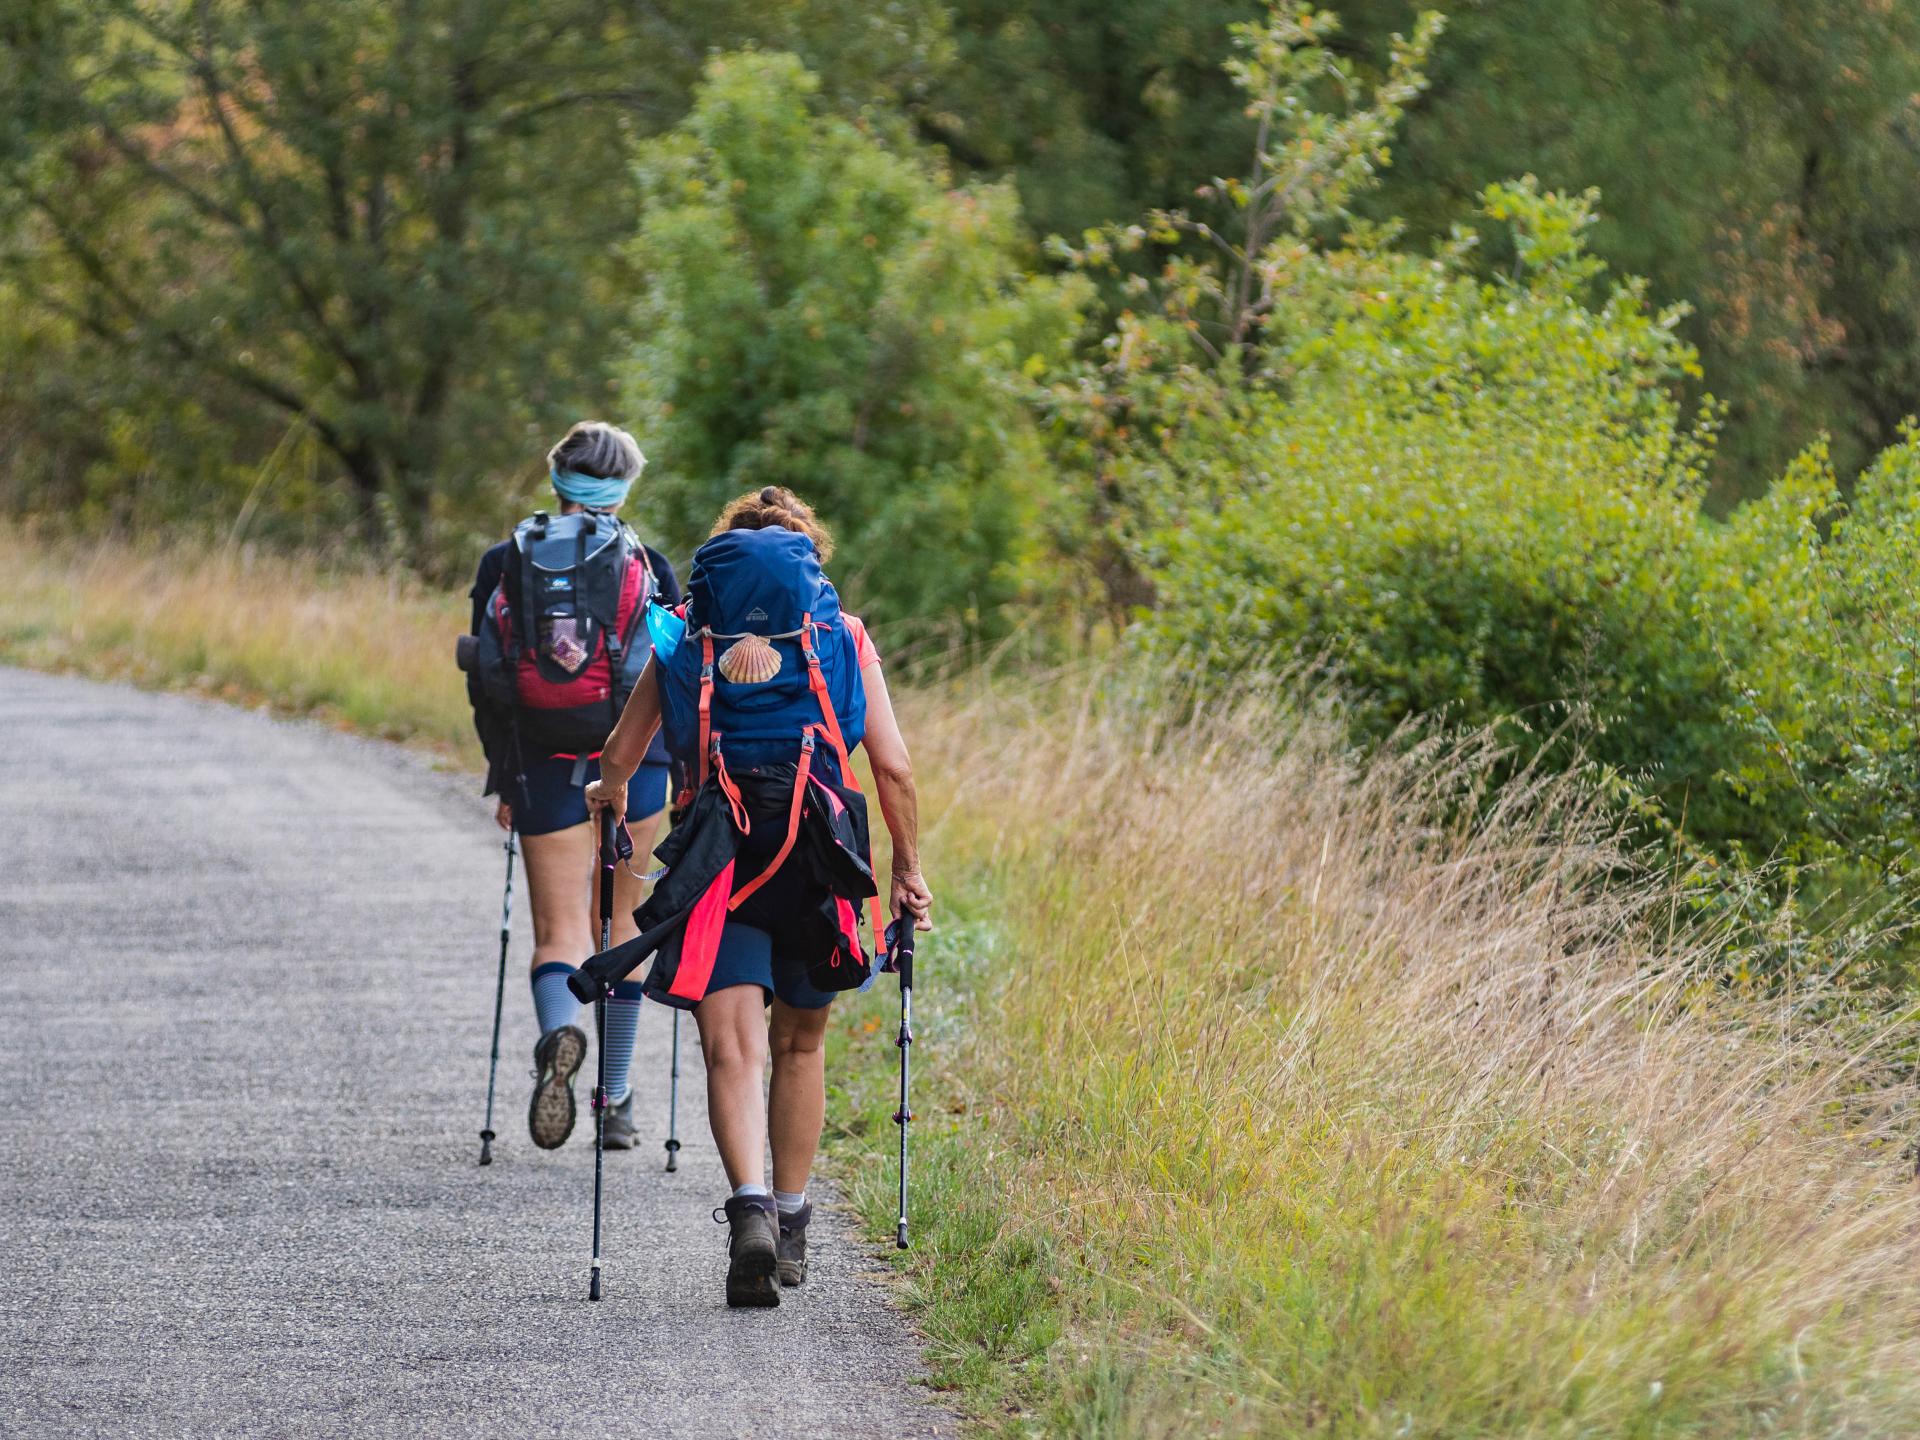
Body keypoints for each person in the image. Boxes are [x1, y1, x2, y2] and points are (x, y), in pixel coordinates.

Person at [581, 486, 933, 1308]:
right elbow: (893, 768)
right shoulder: (841, 635)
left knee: (730, 1048)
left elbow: (622, 756)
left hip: (719, 859)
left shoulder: (683, 634)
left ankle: (747, 1211)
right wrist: (907, 868)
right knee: (799, 1047)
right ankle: (792, 1218)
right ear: (809, 561)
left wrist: (608, 801)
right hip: (818, 856)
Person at [466, 421, 680, 1154]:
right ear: (624, 488)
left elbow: (487, 682)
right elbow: (676, 683)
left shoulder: (506, 561)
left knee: (559, 931)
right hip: (636, 768)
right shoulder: (648, 565)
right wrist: (679, 778)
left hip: (543, 764)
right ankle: (614, 1100)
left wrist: (503, 775)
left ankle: (560, 1032)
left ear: (556, 483)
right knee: (624, 928)